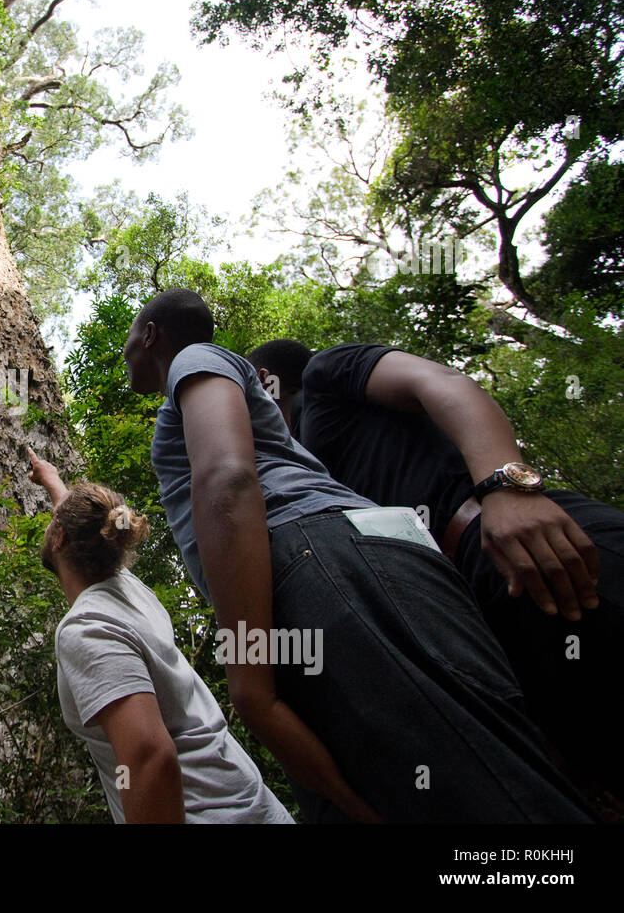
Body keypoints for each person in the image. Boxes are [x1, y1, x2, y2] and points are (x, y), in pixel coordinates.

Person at [122, 288, 593, 823]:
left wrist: (249, 673)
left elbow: (227, 478)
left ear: (151, 335)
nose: (125, 354)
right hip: (346, 561)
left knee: (472, 793)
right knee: (458, 769)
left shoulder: (195, 359)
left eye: (128, 340)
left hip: (316, 556)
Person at [247, 338, 624, 803]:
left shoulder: (327, 373)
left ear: (264, 381)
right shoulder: (299, 465)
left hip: (526, 537)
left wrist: (505, 488)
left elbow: (443, 383)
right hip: (475, 616)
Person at [27, 450, 293, 824]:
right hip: (250, 803)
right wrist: (52, 480)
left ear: (59, 539)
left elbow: (150, 758)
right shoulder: (128, 591)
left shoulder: (88, 629)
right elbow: (83, 526)